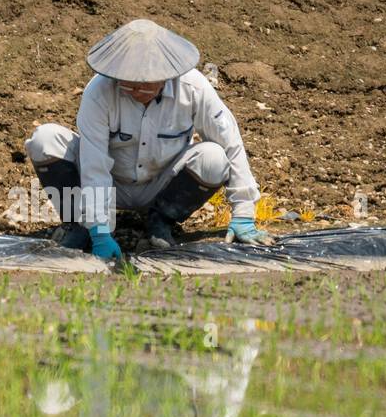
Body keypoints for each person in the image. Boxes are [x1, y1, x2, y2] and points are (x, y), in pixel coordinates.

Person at [24, 18, 273, 260]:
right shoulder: (98, 92)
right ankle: (79, 224)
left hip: (163, 184)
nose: (135, 92)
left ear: (166, 75)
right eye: (128, 85)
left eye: (144, 86)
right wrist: (99, 230)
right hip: (112, 183)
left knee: (214, 158)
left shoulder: (194, 87)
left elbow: (230, 143)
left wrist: (243, 212)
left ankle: (161, 220)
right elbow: (94, 163)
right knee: (44, 139)